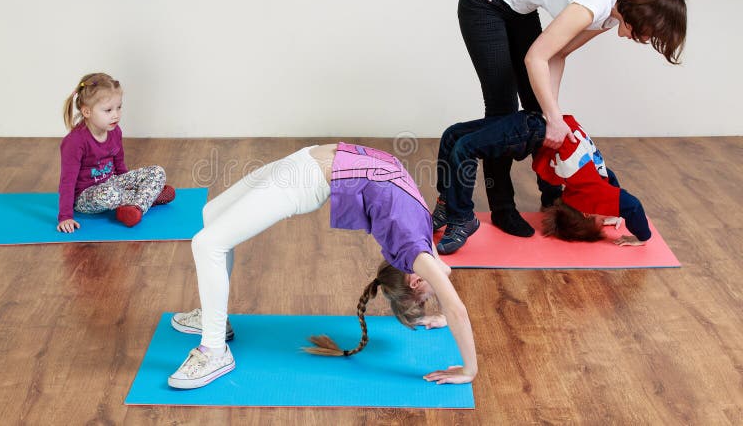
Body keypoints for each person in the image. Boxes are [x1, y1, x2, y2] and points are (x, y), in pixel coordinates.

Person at [167, 143, 478, 389]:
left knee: (207, 242)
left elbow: (444, 282)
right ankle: (215, 322)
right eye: (430, 294)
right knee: (212, 216)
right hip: (304, 165)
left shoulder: (418, 238)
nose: (436, 287)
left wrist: (438, 314)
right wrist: (469, 368)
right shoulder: (419, 252)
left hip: (309, 172)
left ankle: (214, 351)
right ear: (414, 282)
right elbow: (455, 304)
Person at [457, 0, 685, 238]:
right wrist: (552, 116)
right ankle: (502, 209)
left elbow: (557, 54)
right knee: (503, 108)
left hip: (517, 7)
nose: (642, 39)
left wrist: (549, 112)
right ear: (637, 16)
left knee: (540, 110)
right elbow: (535, 58)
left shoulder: (614, 11)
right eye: (646, 34)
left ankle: (552, 197)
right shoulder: (594, 3)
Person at [434, 111, 651, 254]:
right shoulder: (592, 192)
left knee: (453, 136)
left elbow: (613, 185)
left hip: (532, 126)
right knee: (463, 147)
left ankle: (446, 204)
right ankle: (462, 217)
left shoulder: (590, 186)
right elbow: (631, 205)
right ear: (587, 211)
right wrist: (641, 235)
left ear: (586, 212)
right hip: (532, 131)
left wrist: (614, 210)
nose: (604, 219)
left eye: (600, 220)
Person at [57, 72, 175, 232]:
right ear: (87, 112)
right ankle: (149, 197)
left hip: (112, 183)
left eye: (119, 107)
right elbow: (67, 181)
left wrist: (129, 184)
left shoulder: (115, 131)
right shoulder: (75, 142)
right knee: (108, 193)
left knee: (157, 172)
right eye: (108, 110)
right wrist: (65, 216)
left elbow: (119, 165)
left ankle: (135, 208)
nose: (116, 115)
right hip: (86, 196)